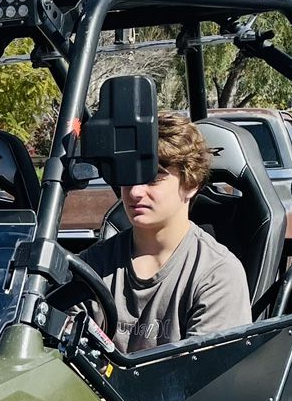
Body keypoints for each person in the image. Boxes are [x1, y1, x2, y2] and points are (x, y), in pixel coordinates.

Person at [71, 111, 252, 353]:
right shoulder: (92, 265)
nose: (135, 192)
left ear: (190, 184)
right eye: (129, 176)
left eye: (153, 177)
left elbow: (204, 381)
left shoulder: (217, 275)